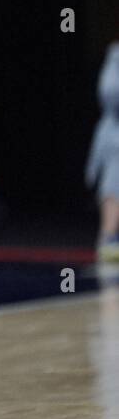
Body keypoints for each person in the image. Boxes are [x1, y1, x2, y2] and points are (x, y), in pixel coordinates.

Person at [87, 41, 119, 261]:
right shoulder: (116, 56)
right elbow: (109, 93)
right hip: (114, 141)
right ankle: (108, 237)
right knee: (113, 184)